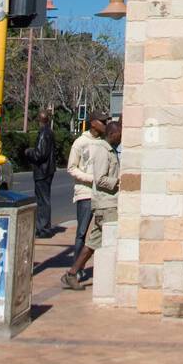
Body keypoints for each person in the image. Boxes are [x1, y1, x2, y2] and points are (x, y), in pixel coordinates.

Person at [61, 121, 122, 291]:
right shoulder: (103, 152)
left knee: (92, 243)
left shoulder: (110, 150)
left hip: (107, 203)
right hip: (106, 204)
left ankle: (72, 274)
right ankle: (110, 278)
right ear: (112, 134)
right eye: (119, 134)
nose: (121, 137)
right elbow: (100, 179)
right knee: (109, 241)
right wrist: (119, 182)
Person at [67, 112, 106, 276]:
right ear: (93, 123)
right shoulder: (80, 143)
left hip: (101, 194)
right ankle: (76, 269)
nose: (105, 124)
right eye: (102, 121)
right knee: (81, 232)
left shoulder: (103, 143)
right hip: (85, 193)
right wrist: (91, 179)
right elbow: (71, 168)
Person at [25, 110, 57, 239]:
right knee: (43, 199)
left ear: (39, 120)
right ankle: (43, 227)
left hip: (43, 171)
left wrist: (28, 152)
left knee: (42, 200)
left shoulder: (44, 133)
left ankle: (43, 228)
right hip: (47, 170)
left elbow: (40, 154)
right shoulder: (49, 132)